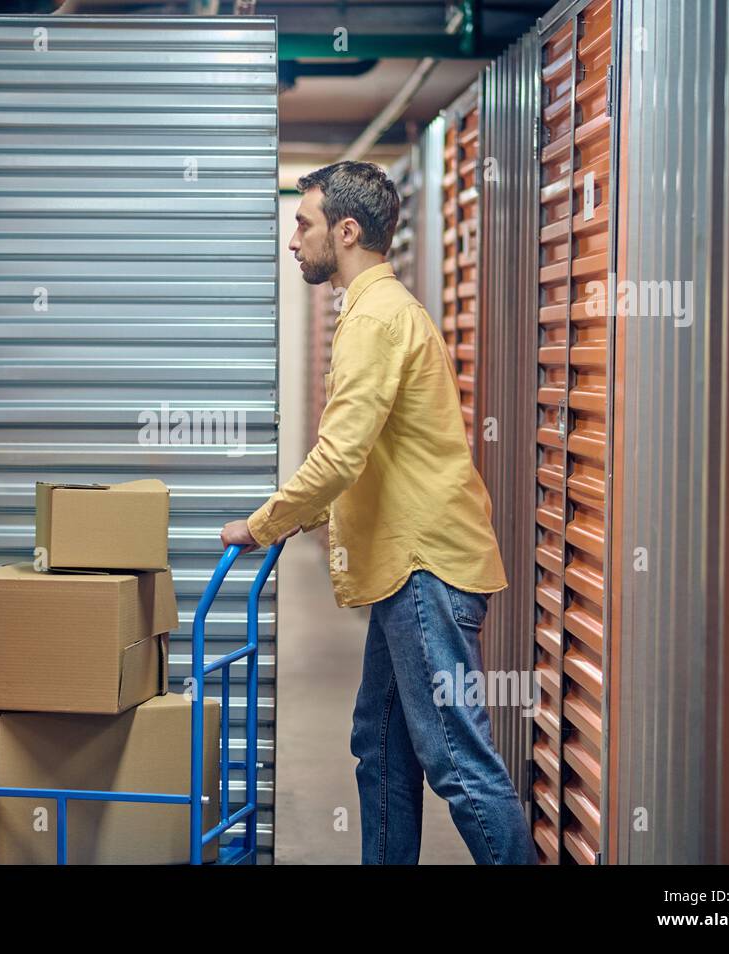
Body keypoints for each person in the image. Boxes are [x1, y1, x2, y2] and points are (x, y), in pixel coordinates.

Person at [220, 160, 538, 865]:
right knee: (381, 745)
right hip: (408, 572)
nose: (292, 239)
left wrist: (262, 522)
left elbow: (340, 456)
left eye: (303, 223)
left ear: (348, 229)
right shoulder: (382, 312)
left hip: (424, 568)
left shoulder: (375, 320)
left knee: (455, 758)